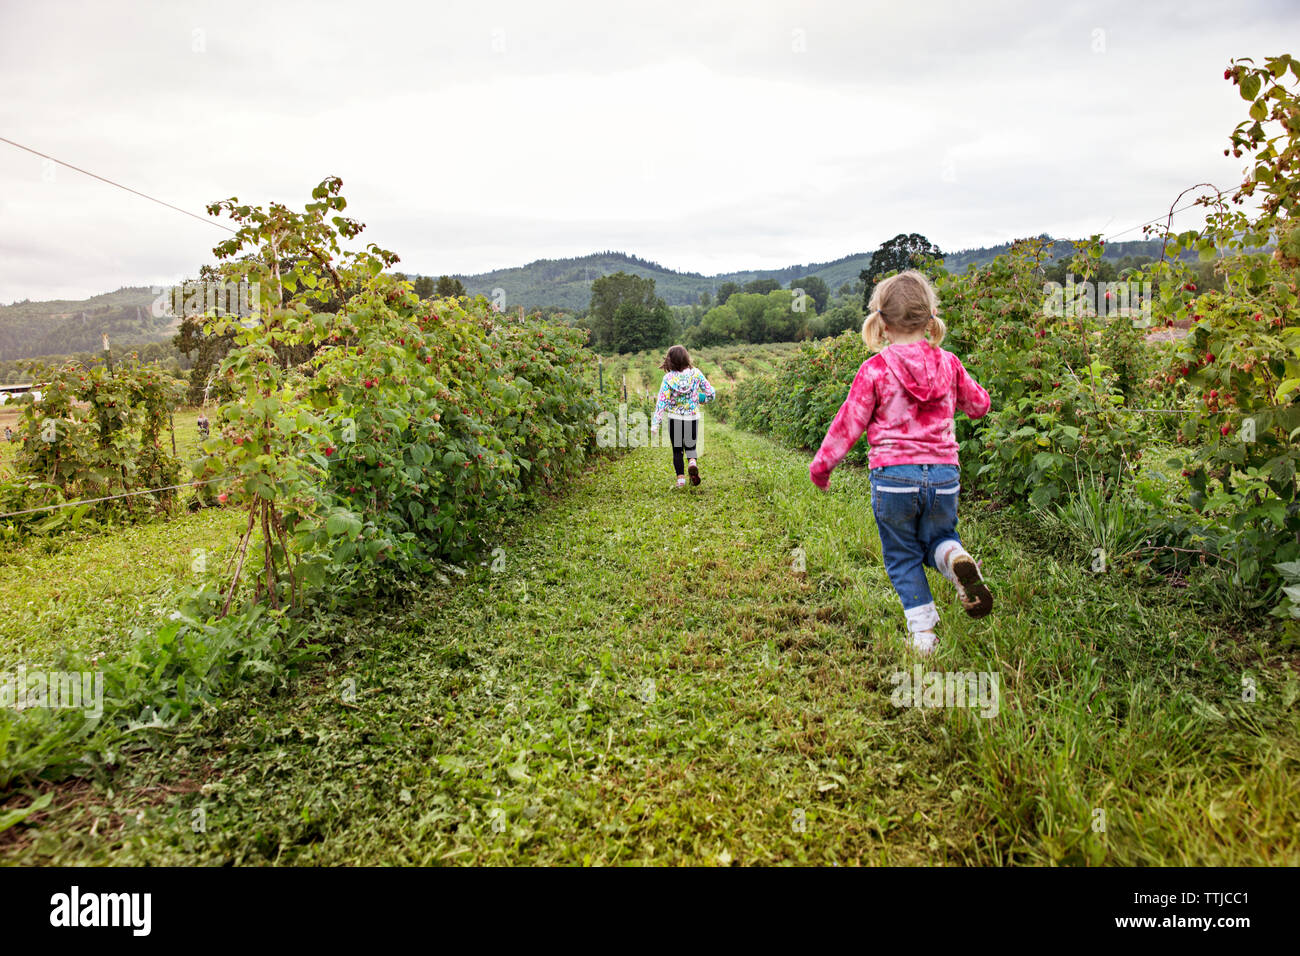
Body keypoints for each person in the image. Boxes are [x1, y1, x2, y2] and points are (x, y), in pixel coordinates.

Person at [809, 270, 992, 654]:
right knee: (939, 538)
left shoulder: (875, 369)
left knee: (902, 555)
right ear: (929, 318)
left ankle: (924, 634)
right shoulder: (949, 363)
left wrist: (823, 465)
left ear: (882, 322)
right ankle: (955, 558)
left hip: (893, 478)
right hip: (944, 475)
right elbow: (979, 406)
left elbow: (848, 424)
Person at [651, 345, 715, 490]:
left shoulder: (668, 378)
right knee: (691, 446)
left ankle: (680, 480)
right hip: (692, 417)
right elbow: (711, 393)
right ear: (686, 358)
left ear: (670, 361)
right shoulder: (696, 374)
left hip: (675, 418)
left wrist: (656, 423)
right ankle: (692, 461)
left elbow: (662, 401)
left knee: (677, 450)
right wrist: (701, 398)